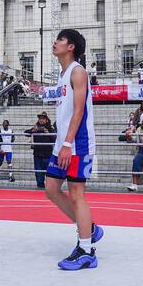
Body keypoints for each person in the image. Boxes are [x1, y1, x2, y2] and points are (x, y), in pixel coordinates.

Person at [43, 28, 103, 271]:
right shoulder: (62, 74)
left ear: (71, 47)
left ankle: (86, 250)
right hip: (63, 143)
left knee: (77, 194)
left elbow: (79, 111)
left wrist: (68, 144)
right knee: (51, 188)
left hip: (78, 143)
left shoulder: (78, 72)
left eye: (60, 39)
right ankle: (90, 227)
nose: (54, 42)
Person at [25, 112, 57, 190]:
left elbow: (56, 138)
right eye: (40, 118)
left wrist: (48, 133)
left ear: (46, 120)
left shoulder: (50, 128)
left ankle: (50, 192)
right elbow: (25, 133)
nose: (41, 120)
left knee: (50, 176)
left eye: (43, 118)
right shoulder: (36, 128)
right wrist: (33, 130)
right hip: (37, 155)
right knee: (39, 177)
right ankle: (40, 190)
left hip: (48, 156)